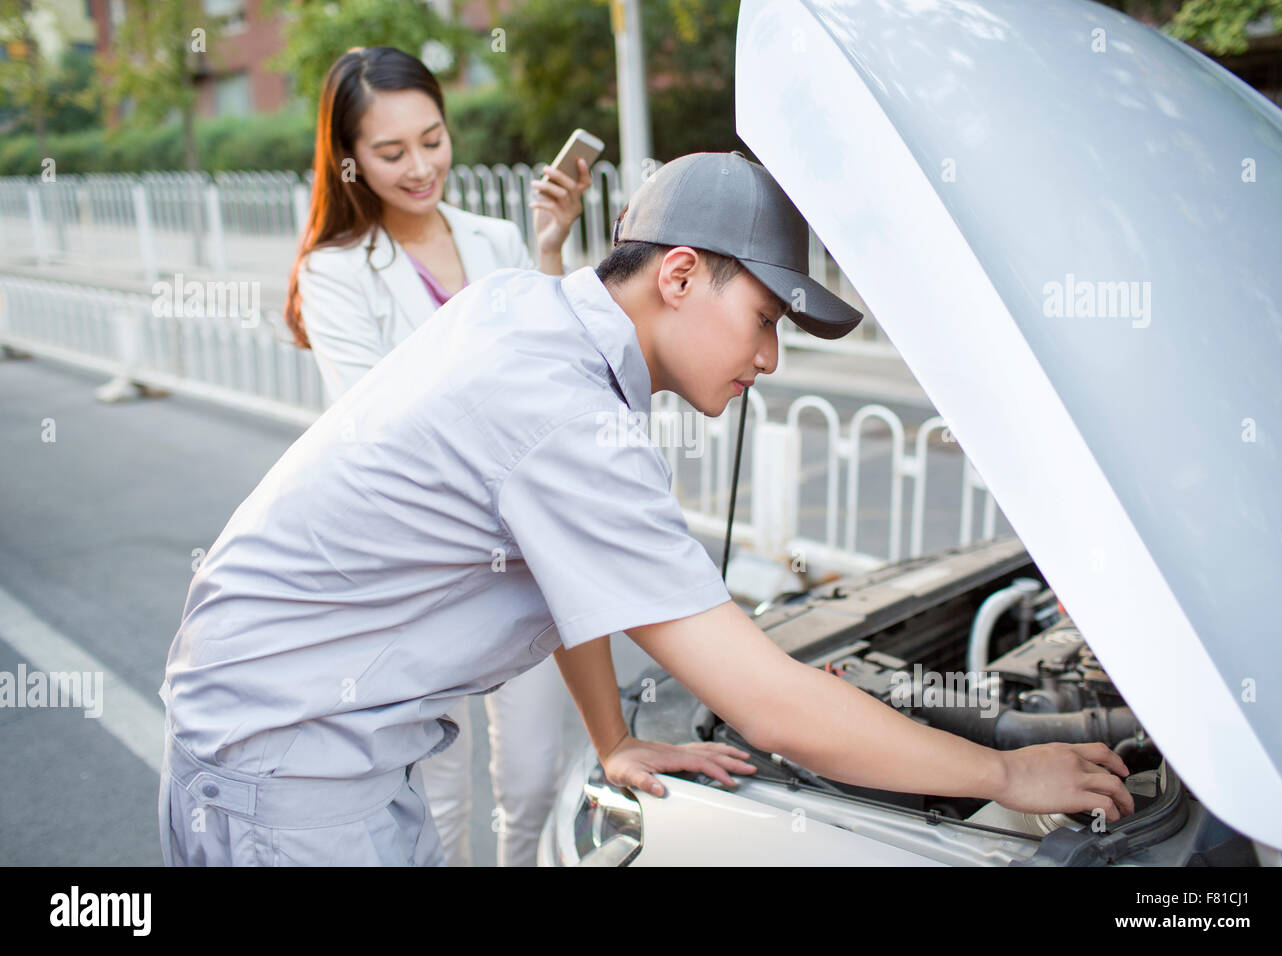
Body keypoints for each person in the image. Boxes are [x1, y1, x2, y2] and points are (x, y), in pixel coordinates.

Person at [158, 151, 1134, 866]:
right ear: (677, 275)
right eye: (762, 318)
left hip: (305, 739)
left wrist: (614, 736)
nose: (767, 358)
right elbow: (769, 703)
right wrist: (1005, 774)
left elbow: (550, 569)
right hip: (284, 765)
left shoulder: (524, 311)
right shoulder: (563, 410)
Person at [280, 46, 592, 867]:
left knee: (531, 780)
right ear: (349, 160)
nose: (421, 167)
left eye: (433, 139)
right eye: (391, 152)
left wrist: (551, 250)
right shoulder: (336, 272)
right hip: (421, 570)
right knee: (441, 792)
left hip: (521, 555)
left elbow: (555, 376)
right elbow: (378, 425)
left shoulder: (499, 240)